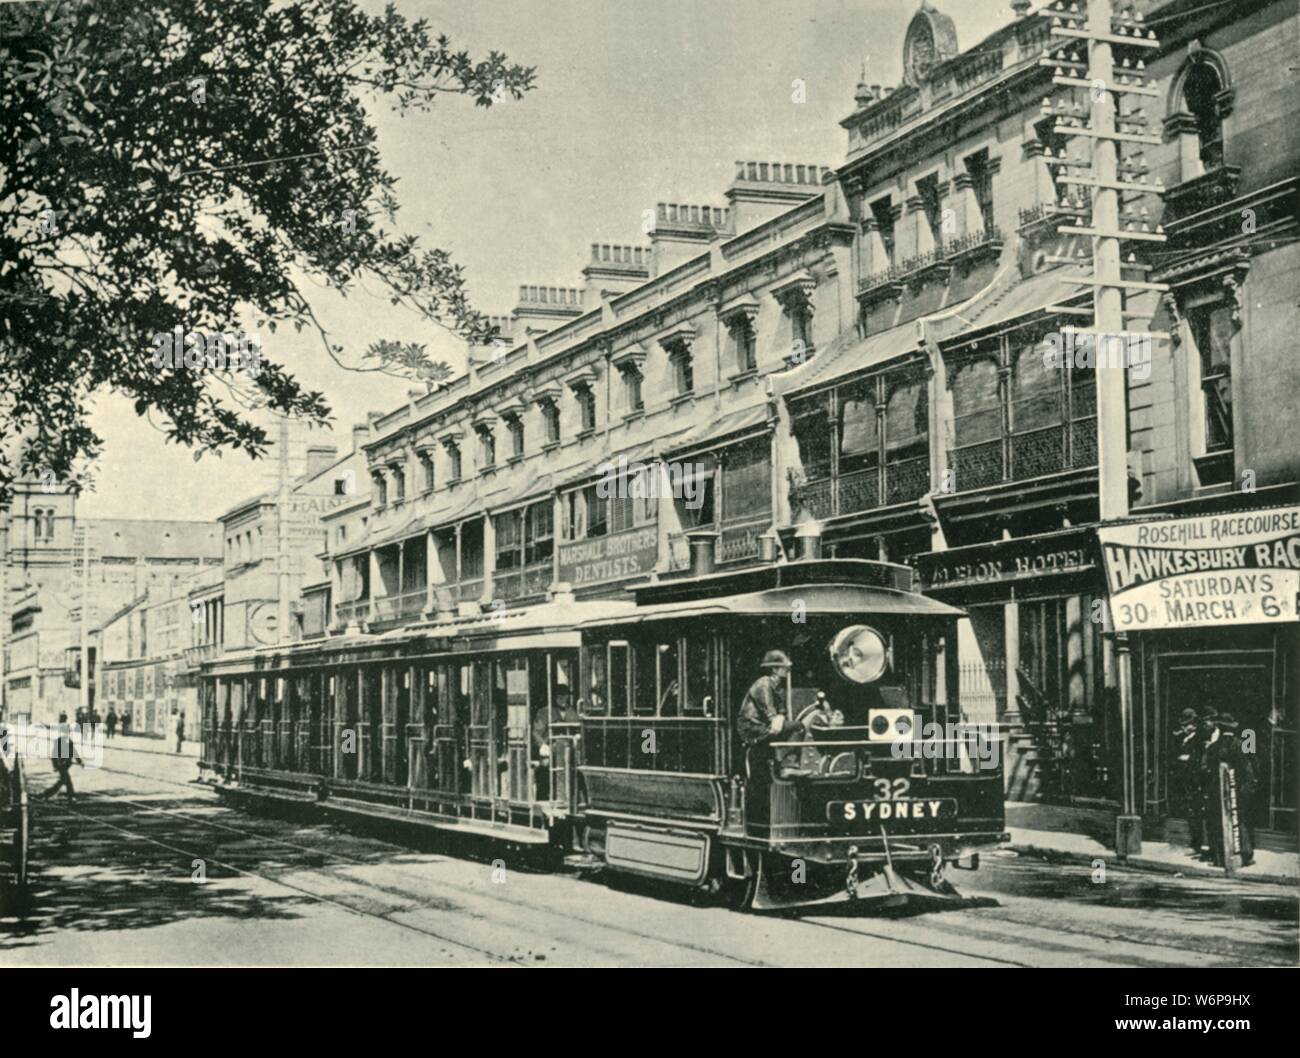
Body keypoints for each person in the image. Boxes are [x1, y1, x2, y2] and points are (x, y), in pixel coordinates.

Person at [1205, 711, 1256, 868]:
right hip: (1238, 790)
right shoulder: (1241, 745)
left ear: (1219, 727)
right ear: (1233, 728)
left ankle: (1219, 857)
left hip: (1216, 791)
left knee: (1218, 821)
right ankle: (1244, 855)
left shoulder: (1212, 748)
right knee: (1239, 820)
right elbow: (1248, 770)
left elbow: (1206, 770)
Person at [737, 650, 795, 748]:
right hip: (752, 726)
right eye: (784, 667)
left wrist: (780, 717)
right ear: (774, 669)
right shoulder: (764, 683)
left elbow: (781, 709)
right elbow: (768, 708)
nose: (788, 669)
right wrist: (776, 719)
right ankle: (791, 761)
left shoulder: (776, 686)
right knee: (797, 727)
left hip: (761, 725)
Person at [531, 689, 578, 800]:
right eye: (560, 696)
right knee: (546, 765)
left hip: (568, 747)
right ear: (554, 697)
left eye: (565, 696)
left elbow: (577, 728)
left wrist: (577, 736)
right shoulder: (544, 712)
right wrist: (542, 745)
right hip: (550, 748)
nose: (563, 699)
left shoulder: (572, 711)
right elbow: (536, 732)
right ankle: (546, 798)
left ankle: (567, 797)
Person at [1171, 707, 1201, 853]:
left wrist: (1185, 759)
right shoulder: (1182, 739)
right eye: (1184, 724)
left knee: (1194, 811)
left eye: (1188, 724)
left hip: (1193, 780)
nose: (1185, 727)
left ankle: (1197, 842)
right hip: (1184, 779)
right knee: (1189, 812)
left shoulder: (1198, 740)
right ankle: (1193, 840)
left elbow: (1195, 759)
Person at [42, 712, 83, 801]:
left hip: (64, 763)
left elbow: (73, 751)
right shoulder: (61, 741)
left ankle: (48, 794)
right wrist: (56, 765)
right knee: (66, 780)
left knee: (63, 780)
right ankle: (70, 796)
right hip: (63, 764)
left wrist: (80, 761)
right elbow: (55, 754)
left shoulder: (66, 740)